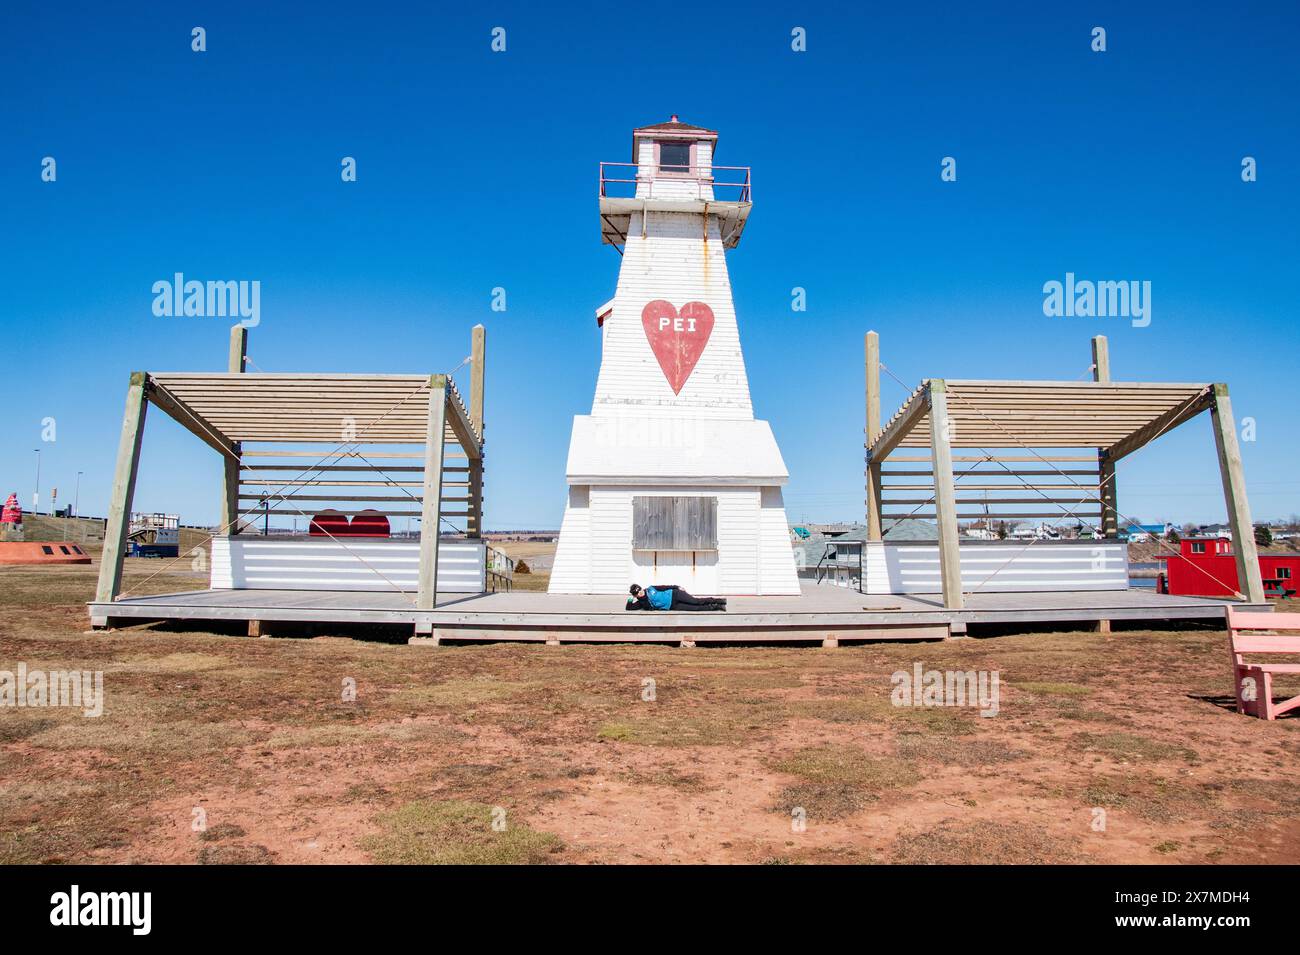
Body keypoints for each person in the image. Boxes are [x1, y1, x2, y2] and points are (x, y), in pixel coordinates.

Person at [626, 583, 727, 612]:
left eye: (640, 590)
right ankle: (717, 607)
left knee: (695, 601)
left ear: (641, 588)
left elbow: (664, 587)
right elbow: (629, 608)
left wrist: (677, 587)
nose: (640, 593)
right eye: (637, 593)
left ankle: (719, 601)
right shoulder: (642, 603)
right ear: (635, 595)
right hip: (673, 606)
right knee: (694, 608)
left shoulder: (651, 588)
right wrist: (631, 599)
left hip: (675, 594)